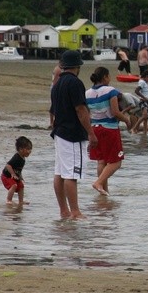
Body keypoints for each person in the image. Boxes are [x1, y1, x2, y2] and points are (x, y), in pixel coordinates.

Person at [49, 49, 97, 219]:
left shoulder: (56, 85)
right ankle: (75, 212)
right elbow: (80, 109)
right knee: (71, 174)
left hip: (59, 132)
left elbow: (53, 111)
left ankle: (64, 211)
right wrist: (90, 133)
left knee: (60, 173)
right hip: (72, 134)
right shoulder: (75, 83)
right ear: (78, 66)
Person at [86, 67, 128, 196]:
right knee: (116, 162)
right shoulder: (111, 91)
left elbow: (87, 114)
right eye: (109, 76)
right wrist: (127, 120)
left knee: (101, 160)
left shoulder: (87, 93)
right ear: (105, 77)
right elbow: (115, 112)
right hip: (109, 129)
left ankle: (103, 190)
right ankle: (98, 183)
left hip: (95, 129)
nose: (110, 79)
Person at [1, 136, 33, 205]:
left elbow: (19, 169)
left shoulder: (23, 159)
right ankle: (8, 200)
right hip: (6, 176)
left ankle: (21, 201)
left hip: (15, 176)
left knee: (21, 186)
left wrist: (20, 177)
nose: (29, 151)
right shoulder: (16, 157)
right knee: (14, 185)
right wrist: (13, 174)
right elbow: (8, 165)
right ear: (21, 149)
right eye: (27, 149)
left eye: (30, 149)